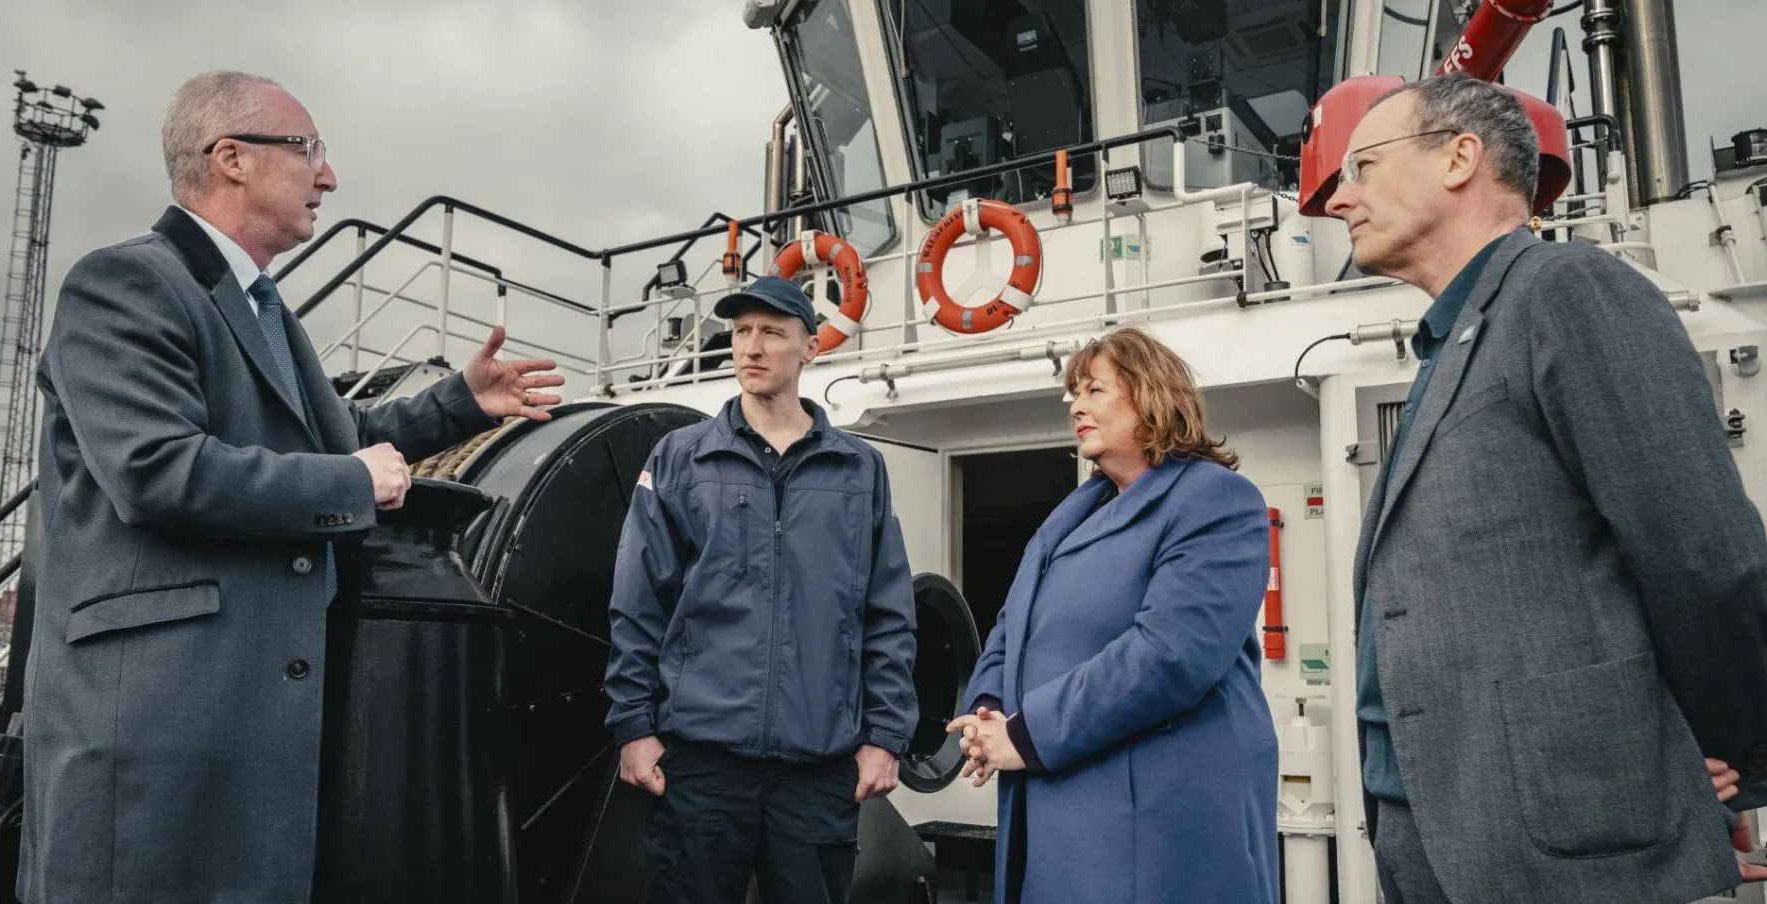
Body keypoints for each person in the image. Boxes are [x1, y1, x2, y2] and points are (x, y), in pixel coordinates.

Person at [17, 71, 564, 904]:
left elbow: (334, 434)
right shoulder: (126, 283)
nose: (328, 176)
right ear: (232, 158)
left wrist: (460, 402)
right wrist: (350, 482)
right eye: (308, 150)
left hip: (248, 727)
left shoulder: (263, 308)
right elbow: (155, 469)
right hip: (160, 730)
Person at [1326, 72, 1767, 903]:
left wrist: (1728, 757)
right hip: (1438, 824)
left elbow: (1702, 551)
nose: (1337, 199)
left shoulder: (1568, 290)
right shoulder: (1455, 341)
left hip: (1557, 836)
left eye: (1362, 167)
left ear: (1460, 158)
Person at [604, 274, 918, 904]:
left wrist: (886, 737)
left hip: (818, 770)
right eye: (742, 331)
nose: (751, 347)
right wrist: (634, 727)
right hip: (702, 764)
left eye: (772, 332)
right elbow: (638, 602)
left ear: (811, 348)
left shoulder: (859, 468)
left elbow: (887, 613)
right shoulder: (681, 458)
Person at [946, 327, 1278, 904]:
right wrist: (988, 708)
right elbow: (1012, 624)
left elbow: (1169, 655)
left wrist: (1024, 735)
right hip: (1060, 802)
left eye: (1094, 390)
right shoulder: (1072, 515)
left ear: (1151, 397)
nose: (1076, 406)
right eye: (1075, 393)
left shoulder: (1216, 500)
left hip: (1155, 813)